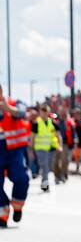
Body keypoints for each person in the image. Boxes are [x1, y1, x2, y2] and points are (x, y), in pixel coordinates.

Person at [0, 92, 31, 227]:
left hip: (14, 151)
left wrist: (7, 108)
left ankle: (17, 206)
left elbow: (22, 112)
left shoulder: (14, 103)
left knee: (22, 179)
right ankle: (2, 214)